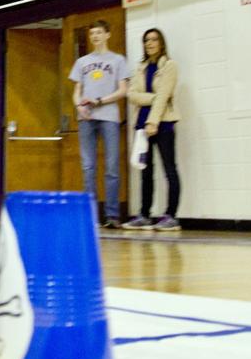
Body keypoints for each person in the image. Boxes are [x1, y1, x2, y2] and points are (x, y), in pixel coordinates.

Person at [69, 20, 130, 227]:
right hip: (86, 118)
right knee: (88, 167)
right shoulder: (82, 62)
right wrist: (79, 106)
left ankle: (112, 215)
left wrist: (100, 101)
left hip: (109, 116)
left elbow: (123, 90)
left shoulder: (118, 60)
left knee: (111, 166)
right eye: (92, 33)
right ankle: (91, 215)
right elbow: (77, 90)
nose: (95, 36)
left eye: (99, 32)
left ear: (107, 35)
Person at [123, 28, 182, 231]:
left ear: (161, 43)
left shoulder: (170, 66)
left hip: (163, 123)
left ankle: (171, 216)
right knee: (145, 172)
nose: (150, 43)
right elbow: (132, 94)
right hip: (141, 125)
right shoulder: (141, 67)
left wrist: (153, 121)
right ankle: (144, 215)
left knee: (169, 169)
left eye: (154, 40)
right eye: (146, 40)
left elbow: (164, 96)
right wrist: (152, 98)